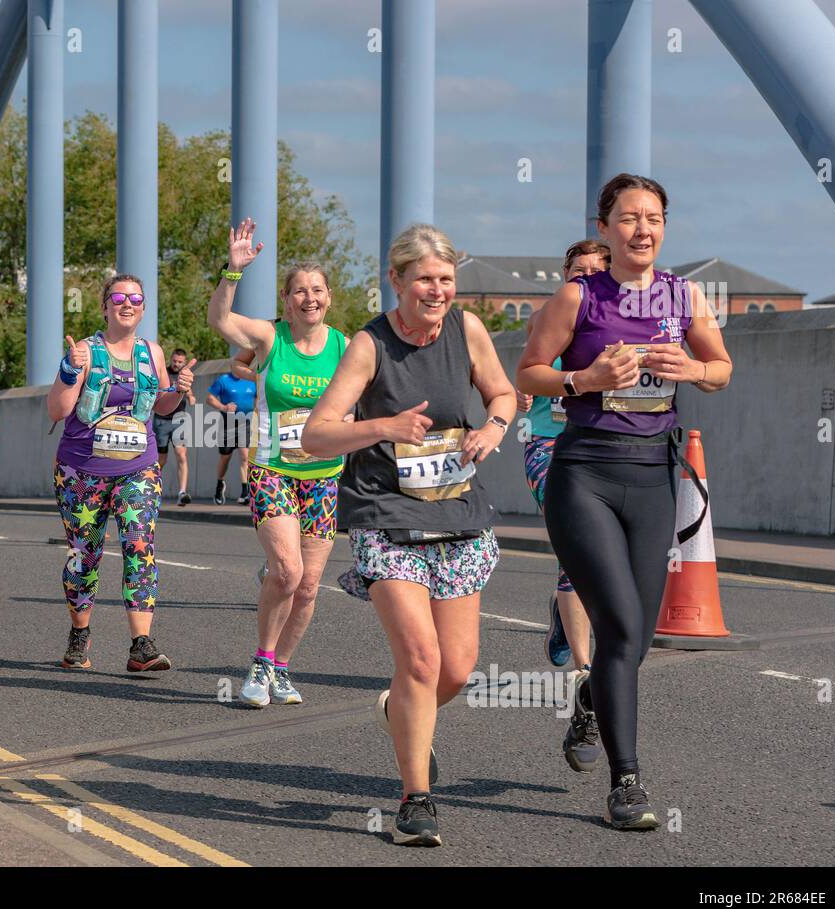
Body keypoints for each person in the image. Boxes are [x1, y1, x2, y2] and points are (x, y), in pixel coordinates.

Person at [516, 173, 732, 830]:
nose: (643, 229)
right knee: (619, 626)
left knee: (633, 641)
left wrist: (687, 369)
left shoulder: (683, 293)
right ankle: (626, 782)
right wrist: (585, 377)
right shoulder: (577, 295)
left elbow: (720, 368)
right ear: (604, 228)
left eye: (655, 218)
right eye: (630, 218)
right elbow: (527, 373)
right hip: (585, 473)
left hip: (652, 475)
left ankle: (588, 698)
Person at [304, 223, 516, 847]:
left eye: (447, 279)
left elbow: (503, 392)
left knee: (457, 669)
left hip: (456, 514)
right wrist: (383, 427)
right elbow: (318, 434)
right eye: (425, 278)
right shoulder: (369, 347)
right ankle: (415, 799)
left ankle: (399, 713)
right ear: (396, 281)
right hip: (386, 515)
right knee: (420, 661)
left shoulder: (467, 331)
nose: (438, 289)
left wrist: (492, 428)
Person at [208, 220, 348, 708]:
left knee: (308, 588)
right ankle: (261, 662)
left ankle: (283, 668)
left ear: (329, 297)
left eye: (317, 290)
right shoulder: (271, 339)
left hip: (325, 477)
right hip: (273, 470)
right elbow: (221, 322)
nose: (308, 298)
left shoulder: (345, 349)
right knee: (286, 572)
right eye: (299, 291)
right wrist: (234, 271)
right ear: (287, 301)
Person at [46, 273, 195, 672]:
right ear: (105, 306)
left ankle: (140, 645)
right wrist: (66, 371)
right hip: (82, 470)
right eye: (118, 298)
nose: (127, 304)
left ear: (144, 307)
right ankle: (79, 636)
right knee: (86, 553)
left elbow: (161, 406)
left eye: (135, 298)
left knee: (139, 546)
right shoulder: (86, 352)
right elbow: (57, 411)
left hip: (138, 469)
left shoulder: (153, 352)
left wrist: (177, 389)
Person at [515, 241, 609, 678]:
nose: (585, 276)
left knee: (597, 553)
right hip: (548, 443)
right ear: (565, 274)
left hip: (603, 444)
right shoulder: (544, 317)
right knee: (574, 543)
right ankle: (585, 666)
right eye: (577, 270)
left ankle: (563, 615)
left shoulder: (622, 321)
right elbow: (528, 370)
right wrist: (521, 391)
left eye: (595, 270)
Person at [152, 348, 196, 506]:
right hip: (162, 420)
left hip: (179, 420)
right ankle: (152, 490)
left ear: (184, 362)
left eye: (180, 362)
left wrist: (191, 397)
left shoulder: (185, 375)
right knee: (160, 460)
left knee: (181, 454)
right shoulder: (164, 373)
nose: (177, 364)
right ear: (171, 359)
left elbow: (190, 394)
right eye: (175, 361)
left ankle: (182, 492)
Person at [205, 367, 256, 504]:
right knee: (225, 457)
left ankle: (245, 492)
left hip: (245, 423)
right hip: (227, 423)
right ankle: (220, 483)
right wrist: (223, 407)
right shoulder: (224, 380)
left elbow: (258, 399)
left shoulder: (252, 380)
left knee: (245, 456)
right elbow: (209, 398)